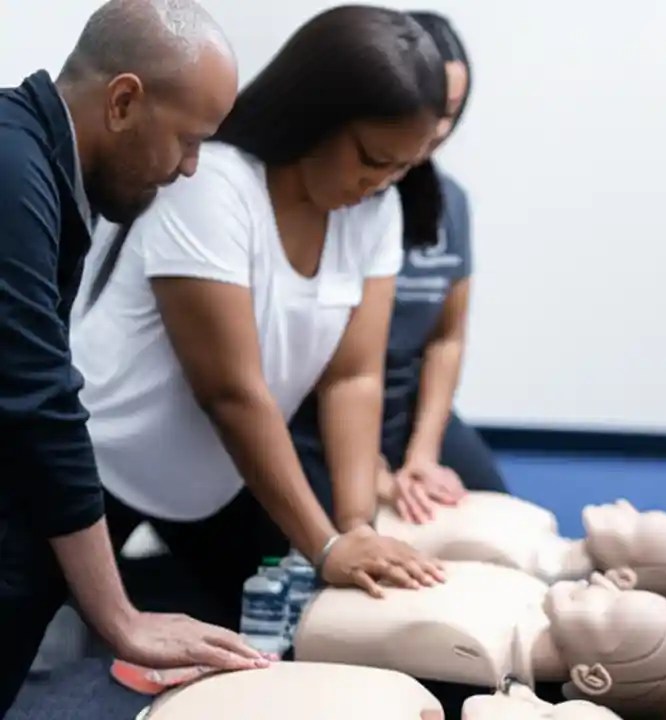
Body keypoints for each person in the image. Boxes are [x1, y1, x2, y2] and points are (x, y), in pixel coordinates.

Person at [68, 5, 453, 632]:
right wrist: (325, 545)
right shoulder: (210, 185)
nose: (379, 182)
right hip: (99, 460)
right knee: (29, 649)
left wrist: (356, 526)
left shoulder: (375, 211)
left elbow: (353, 377)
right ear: (316, 115)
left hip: (218, 480)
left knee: (302, 634)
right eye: (369, 157)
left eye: (400, 167)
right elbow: (230, 391)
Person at [0, 0, 270, 711]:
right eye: (188, 140)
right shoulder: (11, 167)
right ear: (123, 101)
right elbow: (36, 400)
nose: (189, 169)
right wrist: (121, 618)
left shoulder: (46, 168)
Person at [291, 10, 509, 526]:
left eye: (452, 111)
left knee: (504, 516)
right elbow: (332, 366)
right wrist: (374, 472)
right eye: (429, 105)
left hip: (407, 411)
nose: (438, 127)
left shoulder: (450, 203)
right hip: (314, 413)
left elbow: (445, 339)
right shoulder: (340, 192)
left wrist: (422, 456)